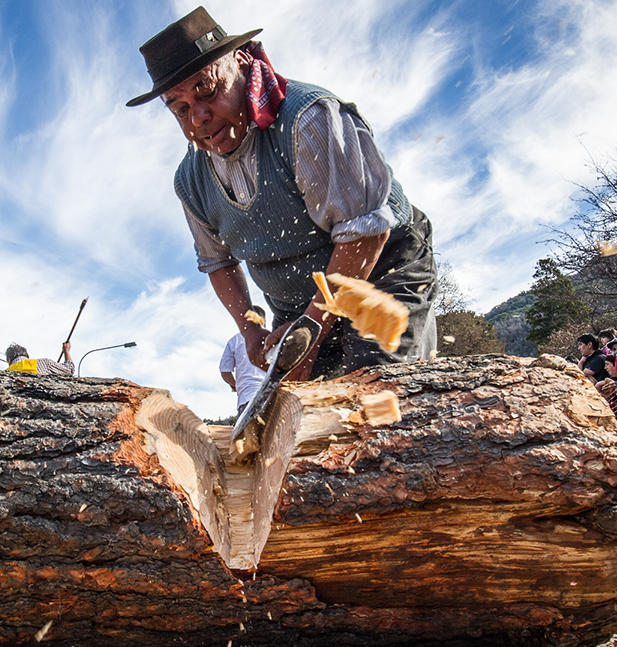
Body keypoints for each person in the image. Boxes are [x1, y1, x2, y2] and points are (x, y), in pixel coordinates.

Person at [127, 7, 436, 382]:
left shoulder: (307, 120)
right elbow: (217, 262)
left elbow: (365, 232)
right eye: (180, 109)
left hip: (378, 275)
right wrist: (250, 329)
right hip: (296, 307)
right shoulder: (190, 181)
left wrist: (312, 327)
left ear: (240, 63)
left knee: (374, 399)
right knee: (290, 418)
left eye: (206, 89)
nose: (198, 117)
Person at [220, 305, 269, 416]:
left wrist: (235, 385)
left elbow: (225, 371)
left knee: (248, 433)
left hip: (247, 397)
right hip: (273, 395)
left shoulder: (234, 341)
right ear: (263, 322)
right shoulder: (272, 337)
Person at [5, 342, 75, 376]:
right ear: (26, 356)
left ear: (9, 360)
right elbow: (69, 369)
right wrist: (66, 351)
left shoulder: (5, 374)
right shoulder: (44, 363)